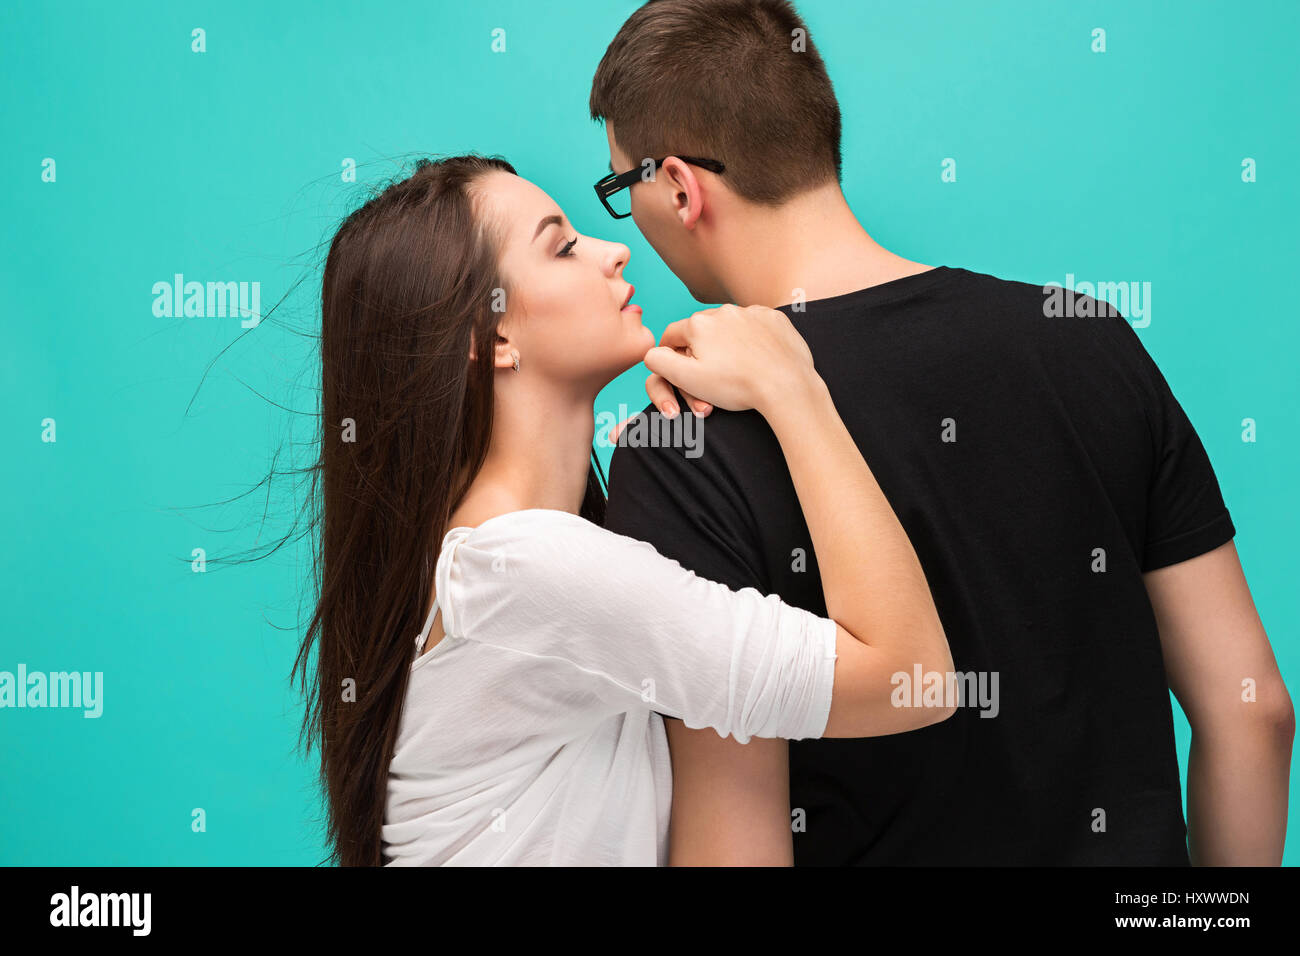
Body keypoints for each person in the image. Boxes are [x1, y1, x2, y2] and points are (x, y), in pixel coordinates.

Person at [592, 0, 1294, 865]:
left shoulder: (682, 438)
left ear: (677, 187)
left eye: (620, 188)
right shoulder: (1088, 335)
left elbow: (736, 844)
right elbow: (1256, 712)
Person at [300, 152, 956, 867]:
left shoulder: (500, 565)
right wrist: (791, 387)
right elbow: (909, 679)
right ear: (492, 337)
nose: (614, 251)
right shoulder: (527, 571)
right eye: (563, 247)